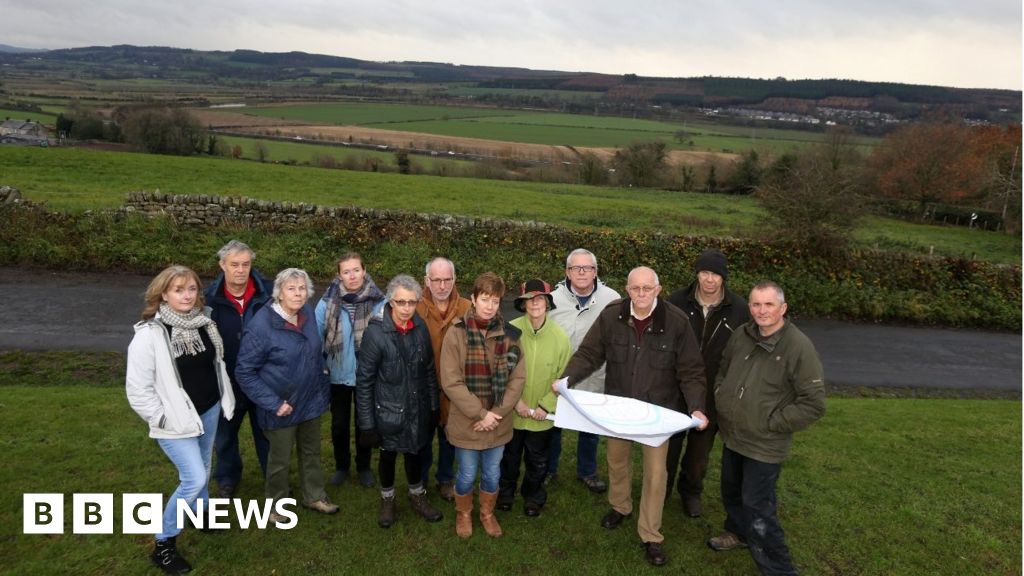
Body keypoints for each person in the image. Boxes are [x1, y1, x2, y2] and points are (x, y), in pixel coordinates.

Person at [556, 266, 707, 567]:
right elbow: (589, 353)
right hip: (619, 409)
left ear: (658, 290)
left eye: (647, 289)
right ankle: (620, 506)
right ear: (627, 289)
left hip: (657, 412)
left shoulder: (676, 322)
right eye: (635, 288)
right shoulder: (612, 315)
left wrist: (696, 406)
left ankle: (651, 534)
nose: (640, 294)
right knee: (617, 462)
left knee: (655, 474)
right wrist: (566, 379)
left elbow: (691, 370)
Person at [708, 281, 826, 576]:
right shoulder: (742, 335)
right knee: (732, 493)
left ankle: (779, 569)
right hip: (734, 436)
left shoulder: (798, 347)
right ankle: (738, 534)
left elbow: (813, 404)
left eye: (769, 304)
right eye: (756, 304)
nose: (761, 311)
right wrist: (722, 395)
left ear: (783, 308)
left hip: (764, 444)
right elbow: (724, 369)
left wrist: (771, 423)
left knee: (758, 508)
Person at [126, 265, 236, 574]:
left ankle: (200, 514)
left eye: (191, 289)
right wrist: (162, 418)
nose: (187, 295)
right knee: (195, 478)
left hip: (209, 410)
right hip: (175, 422)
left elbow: (214, 364)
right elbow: (137, 390)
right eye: (178, 290)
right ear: (163, 294)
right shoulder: (150, 335)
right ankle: (164, 543)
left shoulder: (204, 322)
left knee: (204, 465)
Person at [236, 268, 338, 522]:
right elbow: (245, 371)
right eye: (291, 288)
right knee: (280, 460)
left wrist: (321, 375)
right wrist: (274, 403)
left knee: (312, 452)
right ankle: (275, 506)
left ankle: (314, 495)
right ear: (279, 293)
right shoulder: (261, 325)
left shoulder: (306, 313)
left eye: (302, 288)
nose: (298, 293)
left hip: (311, 401)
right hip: (282, 406)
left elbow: (313, 350)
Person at [664, 248, 750, 517]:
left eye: (715, 274)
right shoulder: (676, 301)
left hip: (713, 393)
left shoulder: (739, 309)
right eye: (704, 272)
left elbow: (745, 351)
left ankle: (691, 492)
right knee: (668, 450)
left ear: (723, 278)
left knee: (698, 458)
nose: (709, 279)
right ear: (697, 273)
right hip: (674, 391)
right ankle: (661, 492)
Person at [440, 272, 525, 539]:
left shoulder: (511, 336)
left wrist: (495, 414)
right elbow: (451, 381)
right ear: (474, 299)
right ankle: (463, 513)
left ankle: (487, 513)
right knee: (465, 474)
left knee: (491, 473)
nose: (490, 306)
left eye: (496, 301)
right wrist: (480, 413)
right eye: (485, 299)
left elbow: (517, 379)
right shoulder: (456, 334)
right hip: (468, 421)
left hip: (497, 423)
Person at [356, 275, 444, 528]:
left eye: (412, 302)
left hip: (417, 409)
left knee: (415, 452)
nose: (407, 308)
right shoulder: (375, 334)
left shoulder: (420, 328)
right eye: (401, 302)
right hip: (388, 412)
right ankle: (388, 499)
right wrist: (367, 425)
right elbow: (364, 382)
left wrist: (434, 407)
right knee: (388, 455)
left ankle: (417, 496)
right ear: (390, 301)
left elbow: (428, 369)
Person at [546, 248, 620, 493]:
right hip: (560, 377)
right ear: (567, 272)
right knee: (554, 426)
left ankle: (587, 471)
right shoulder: (552, 300)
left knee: (589, 429)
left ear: (595, 271)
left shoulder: (613, 300)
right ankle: (549, 469)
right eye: (575, 268)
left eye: (587, 267)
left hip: (595, 375)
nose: (581, 272)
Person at [205, 239, 273, 499]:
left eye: (245, 264)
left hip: (263, 381)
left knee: (267, 435)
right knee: (224, 437)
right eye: (234, 264)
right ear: (222, 265)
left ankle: (274, 481)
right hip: (225, 383)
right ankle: (227, 478)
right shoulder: (208, 299)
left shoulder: (268, 295)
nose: (240, 270)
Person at [497, 279, 570, 517]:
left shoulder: (560, 338)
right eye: (530, 299)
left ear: (548, 303)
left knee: (537, 461)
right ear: (523, 304)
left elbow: (564, 377)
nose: (535, 303)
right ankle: (505, 494)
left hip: (542, 414)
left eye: (540, 299)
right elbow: (500, 369)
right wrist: (515, 402)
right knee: (509, 457)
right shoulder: (511, 330)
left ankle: (533, 496)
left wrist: (545, 405)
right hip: (513, 411)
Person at [315, 252, 386, 489]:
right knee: (339, 424)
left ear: (364, 270)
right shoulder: (327, 302)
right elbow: (316, 336)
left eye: (356, 270)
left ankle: (364, 466)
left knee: (365, 423)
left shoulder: (379, 302)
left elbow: (386, 338)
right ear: (339, 275)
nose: (352, 275)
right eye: (346, 271)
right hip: (337, 373)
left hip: (368, 375)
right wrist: (321, 366)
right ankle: (342, 466)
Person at [416, 257, 472, 502]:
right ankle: (419, 479)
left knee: (451, 436)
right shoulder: (415, 308)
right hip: (423, 386)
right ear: (426, 280)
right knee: (423, 436)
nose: (441, 286)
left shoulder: (467, 308)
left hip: (456, 387)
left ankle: (446, 478)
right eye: (436, 280)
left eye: (447, 279)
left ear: (454, 279)